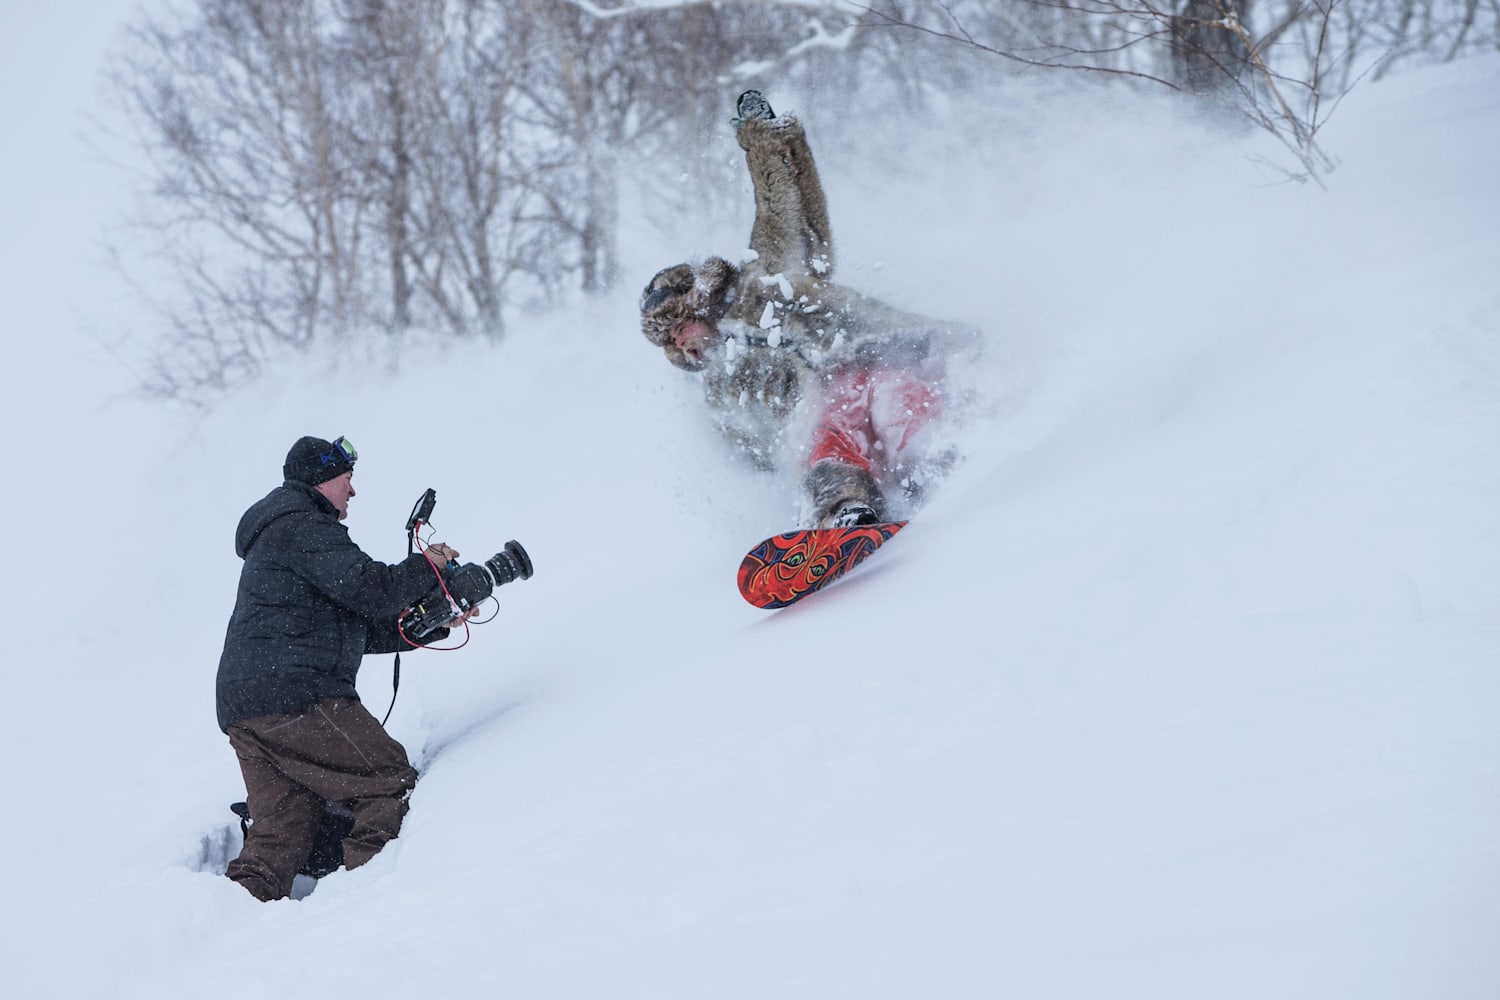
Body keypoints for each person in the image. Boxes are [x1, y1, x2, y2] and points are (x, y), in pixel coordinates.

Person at [639, 90, 979, 527]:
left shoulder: (761, 285)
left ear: (699, 305)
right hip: (828, 418)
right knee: (824, 443)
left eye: (679, 328)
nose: (681, 344)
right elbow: (750, 449)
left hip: (880, 359)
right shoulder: (719, 387)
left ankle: (935, 465)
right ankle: (846, 510)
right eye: (670, 343)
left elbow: (782, 214)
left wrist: (763, 142)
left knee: (889, 395)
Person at [216, 434, 467, 901]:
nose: (353, 491)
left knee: (281, 828)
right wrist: (429, 565)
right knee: (386, 780)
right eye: (347, 479)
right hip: (294, 694)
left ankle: (224, 915)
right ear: (320, 479)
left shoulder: (283, 535)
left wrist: (433, 623)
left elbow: (358, 629)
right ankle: (364, 905)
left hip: (247, 705)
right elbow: (373, 589)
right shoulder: (301, 526)